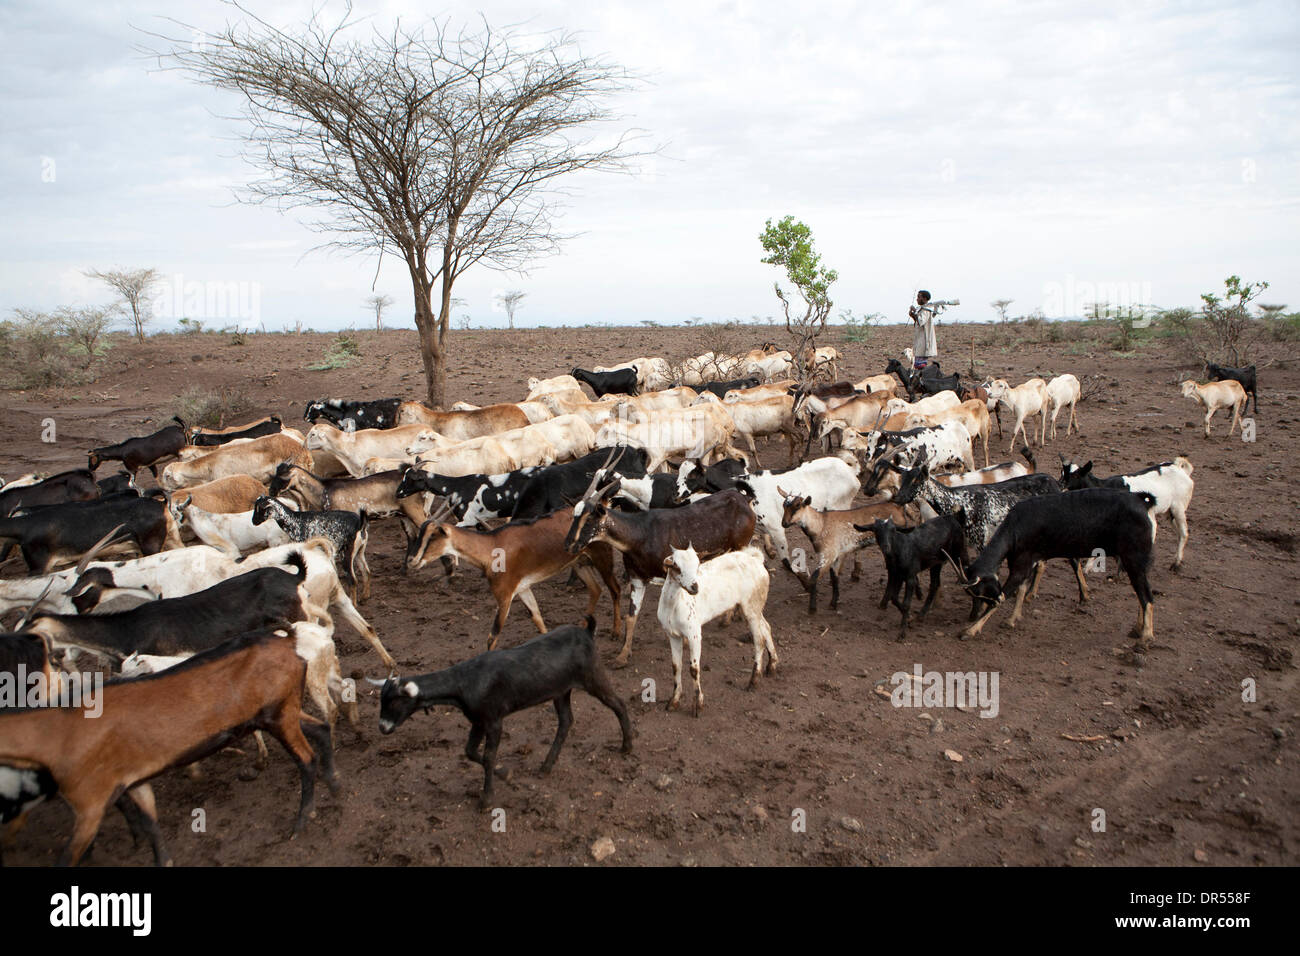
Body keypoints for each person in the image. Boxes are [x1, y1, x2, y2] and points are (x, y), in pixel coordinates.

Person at [909, 290, 938, 369]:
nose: (917, 299)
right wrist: (913, 315)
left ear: (924, 299)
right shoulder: (923, 309)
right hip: (920, 339)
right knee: (919, 362)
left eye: (919, 297)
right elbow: (918, 322)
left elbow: (921, 321)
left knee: (920, 364)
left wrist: (914, 312)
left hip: (924, 340)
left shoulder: (926, 310)